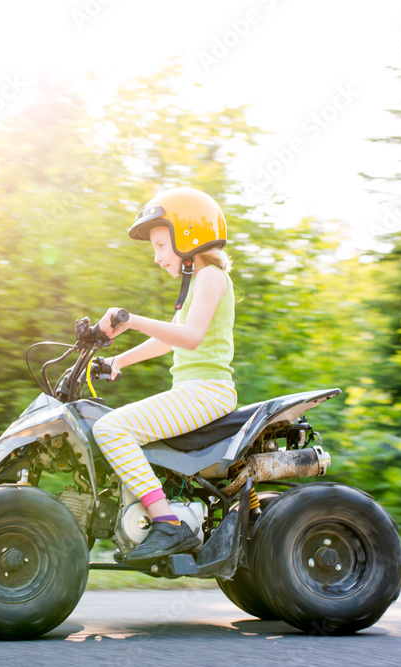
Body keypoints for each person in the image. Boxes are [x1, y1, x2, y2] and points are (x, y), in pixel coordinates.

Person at [93, 187, 237, 567]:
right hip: (194, 390)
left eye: (160, 245)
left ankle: (167, 523)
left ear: (188, 235)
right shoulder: (196, 285)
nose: (157, 258)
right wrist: (118, 361)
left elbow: (190, 338)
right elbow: (166, 340)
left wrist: (131, 319)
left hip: (208, 391)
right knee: (114, 427)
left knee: (111, 430)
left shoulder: (210, 277)